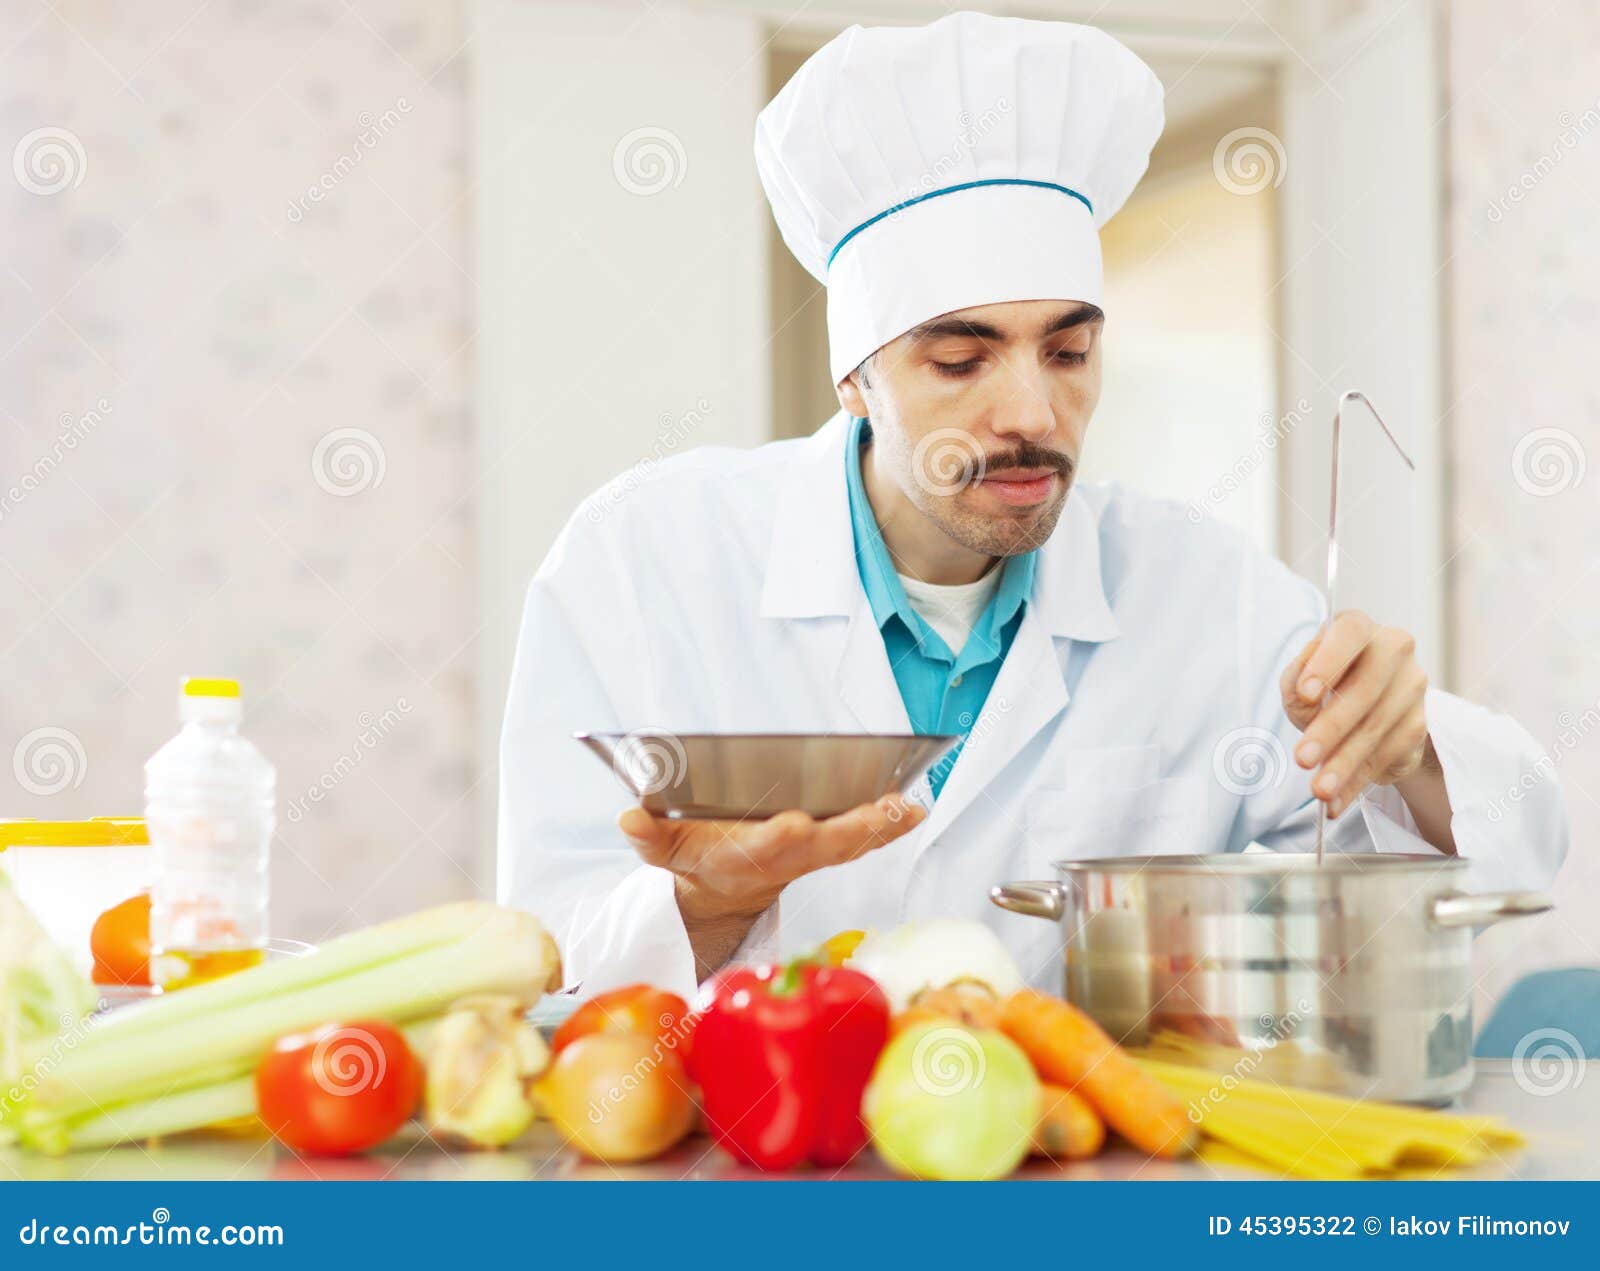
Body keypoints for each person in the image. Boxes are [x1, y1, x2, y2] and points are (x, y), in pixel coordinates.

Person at [498, 12, 1567, 998]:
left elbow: (1506, 845)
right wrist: (711, 898)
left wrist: (1409, 745)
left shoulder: (1198, 589)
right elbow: (537, 963)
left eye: (1068, 351)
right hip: (746, 1177)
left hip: (1072, 1169)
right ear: (857, 380)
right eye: (960, 358)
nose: (1031, 411)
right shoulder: (642, 558)